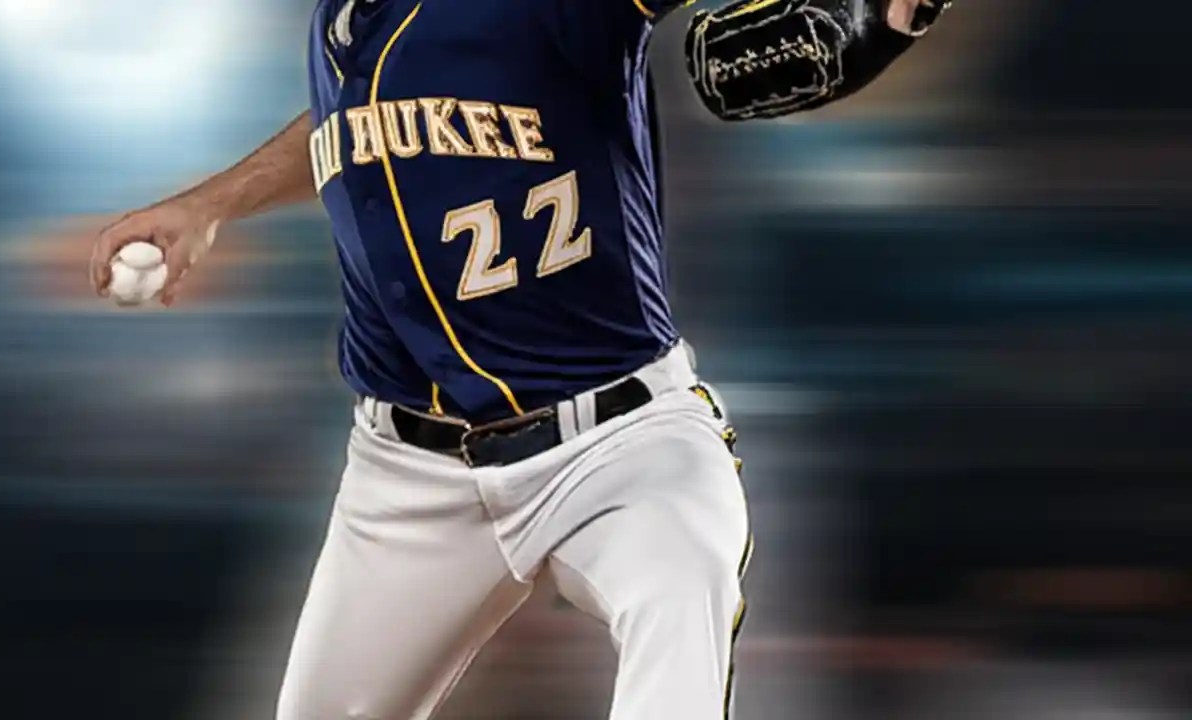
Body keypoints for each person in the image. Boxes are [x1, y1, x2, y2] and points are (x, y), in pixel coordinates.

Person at [87, 1, 953, 717]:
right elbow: (360, 121)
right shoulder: (348, 22)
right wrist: (210, 203)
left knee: (678, 602)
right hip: (404, 477)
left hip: (618, 446)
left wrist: (883, 15)